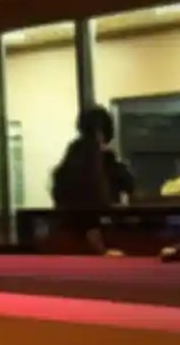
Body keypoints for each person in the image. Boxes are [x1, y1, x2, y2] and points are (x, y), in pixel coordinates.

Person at [51, 105, 133, 254]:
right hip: (99, 236)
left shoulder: (69, 162)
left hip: (69, 237)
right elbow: (130, 186)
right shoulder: (103, 161)